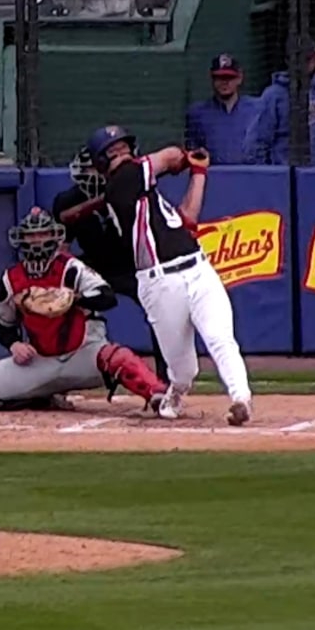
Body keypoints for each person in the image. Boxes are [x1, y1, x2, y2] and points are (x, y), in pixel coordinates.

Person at [81, 123, 254, 425]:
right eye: (112, 151)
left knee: (220, 337)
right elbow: (170, 156)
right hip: (160, 283)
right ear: (101, 162)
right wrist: (185, 158)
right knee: (184, 367)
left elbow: (187, 221)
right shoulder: (122, 182)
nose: (120, 154)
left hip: (198, 268)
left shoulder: (148, 197)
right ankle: (176, 390)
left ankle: (241, 398)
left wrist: (198, 174)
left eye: (123, 148)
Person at [0, 207, 166, 412]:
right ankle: (41, 398)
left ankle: (158, 395)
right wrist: (14, 344)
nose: (37, 241)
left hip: (83, 354)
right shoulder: (11, 280)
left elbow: (107, 298)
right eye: (31, 236)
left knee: (118, 358)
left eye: (42, 234)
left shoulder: (71, 269)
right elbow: (1, 321)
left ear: (54, 236)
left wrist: (73, 299)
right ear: (21, 239)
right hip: (41, 360)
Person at [52, 144, 172, 386]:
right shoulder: (67, 201)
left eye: (98, 169)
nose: (94, 175)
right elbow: (62, 250)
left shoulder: (130, 190)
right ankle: (55, 377)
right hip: (94, 264)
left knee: (162, 311)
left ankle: (166, 379)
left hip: (132, 264)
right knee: (57, 302)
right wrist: (62, 288)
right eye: (89, 169)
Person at [246, 37, 315, 166]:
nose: (302, 65)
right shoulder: (273, 95)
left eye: (307, 59)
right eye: (297, 60)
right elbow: (255, 144)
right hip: (286, 179)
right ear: (287, 61)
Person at [184, 53, 257, 166]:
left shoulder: (256, 110)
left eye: (229, 77)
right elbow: (192, 153)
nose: (225, 82)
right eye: (220, 77)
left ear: (239, 78)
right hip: (213, 178)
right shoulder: (198, 114)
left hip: (250, 177)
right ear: (212, 79)